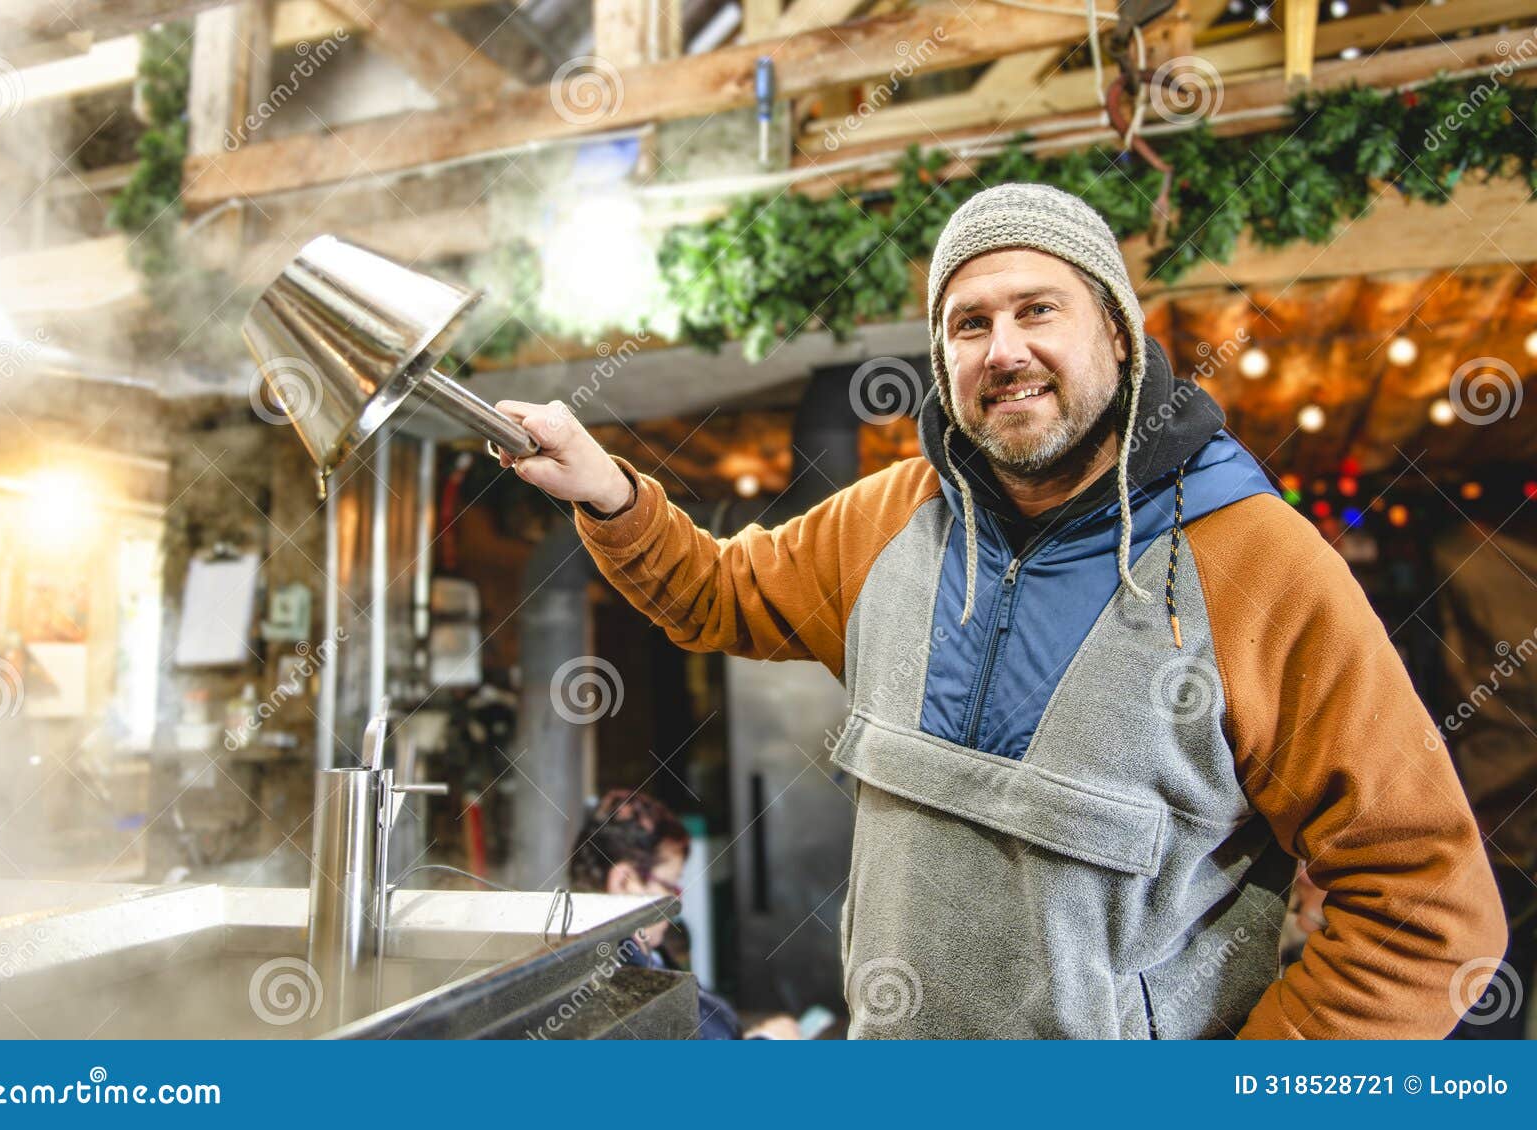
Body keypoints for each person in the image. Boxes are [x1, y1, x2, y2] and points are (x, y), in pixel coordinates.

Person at [501, 183, 1507, 1039]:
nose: (1001, 349)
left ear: (1113, 327)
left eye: (1037, 310)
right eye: (968, 323)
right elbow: (714, 591)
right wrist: (606, 492)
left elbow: (1427, 908)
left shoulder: (1257, 562)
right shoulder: (891, 518)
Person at [570, 789, 801, 1040]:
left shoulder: (648, 953)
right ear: (624, 881)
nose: (678, 901)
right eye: (669, 886)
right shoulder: (613, 979)